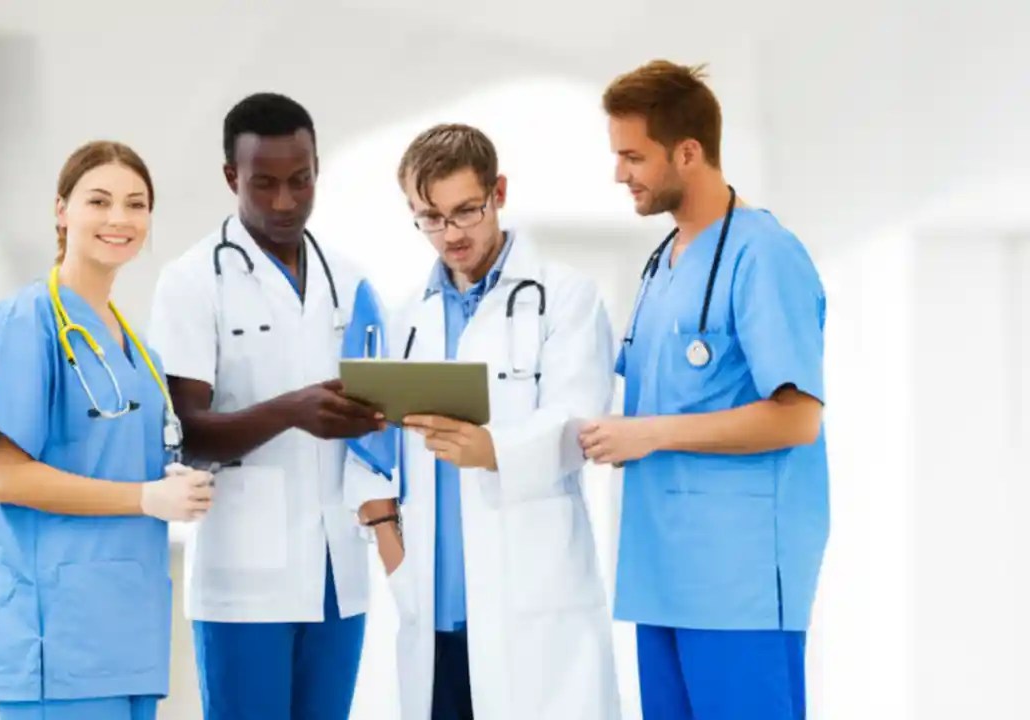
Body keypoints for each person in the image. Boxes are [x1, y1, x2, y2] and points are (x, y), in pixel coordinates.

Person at [580, 60, 829, 720]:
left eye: (632, 156)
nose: (619, 174)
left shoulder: (764, 255)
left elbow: (797, 419)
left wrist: (652, 432)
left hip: (738, 580)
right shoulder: (663, 263)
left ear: (687, 152)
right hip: (661, 573)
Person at [147, 92, 396, 720]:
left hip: (338, 573)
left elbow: (378, 422)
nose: (285, 202)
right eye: (264, 184)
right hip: (243, 576)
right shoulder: (192, 280)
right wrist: (290, 411)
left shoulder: (351, 279)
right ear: (232, 177)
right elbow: (185, 435)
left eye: (300, 181)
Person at [365, 123, 622, 720]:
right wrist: (390, 548)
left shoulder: (565, 297)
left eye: (466, 212)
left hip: (530, 594)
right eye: (430, 217)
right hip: (433, 601)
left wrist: (493, 449)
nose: (450, 234)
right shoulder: (406, 318)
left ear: (498, 191)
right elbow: (373, 446)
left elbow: (579, 417)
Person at [0, 141, 214, 720]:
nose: (119, 219)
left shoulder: (141, 354)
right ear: (62, 210)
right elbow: (7, 477)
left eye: (136, 204)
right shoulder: (30, 320)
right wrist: (145, 497)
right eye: (99, 201)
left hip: (129, 637)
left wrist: (177, 486)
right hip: (59, 641)